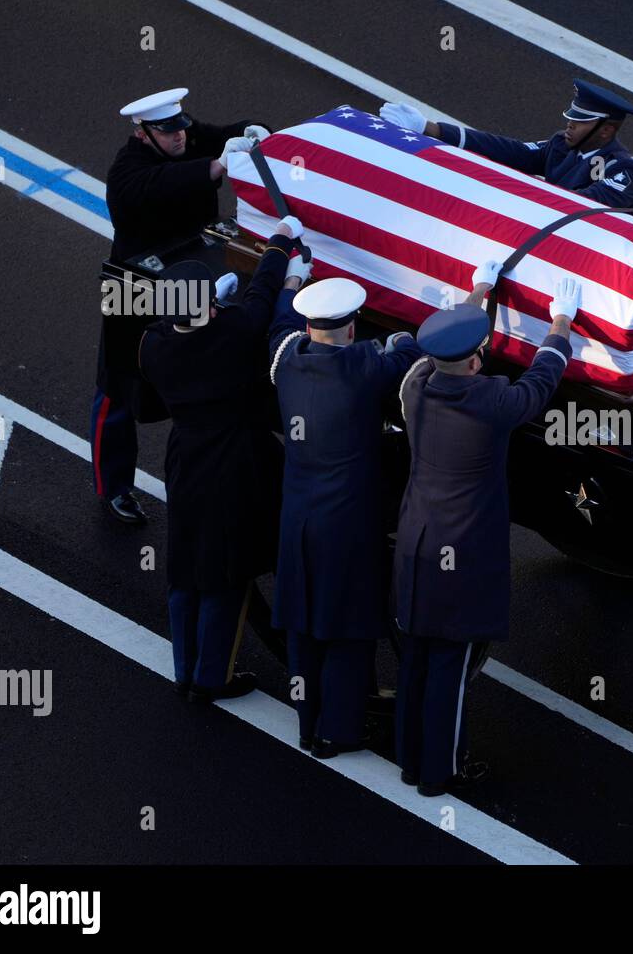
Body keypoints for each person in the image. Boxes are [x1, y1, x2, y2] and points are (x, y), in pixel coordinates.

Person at [392, 265, 578, 796]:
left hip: (417, 541)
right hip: (462, 550)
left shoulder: (417, 388)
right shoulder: (493, 402)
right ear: (476, 358)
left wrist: (477, 291)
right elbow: (542, 378)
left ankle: (409, 759)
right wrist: (560, 323)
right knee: (449, 663)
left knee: (418, 657)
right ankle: (439, 771)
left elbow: (448, 344)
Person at [137, 216, 307, 703]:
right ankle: (212, 676)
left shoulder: (153, 346)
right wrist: (279, 245)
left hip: (186, 460)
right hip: (235, 463)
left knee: (185, 566)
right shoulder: (232, 334)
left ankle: (184, 668)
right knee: (226, 574)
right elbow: (262, 302)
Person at [96, 88, 269, 525]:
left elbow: (218, 135)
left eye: (180, 128)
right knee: (118, 385)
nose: (179, 137)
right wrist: (217, 166)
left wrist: (250, 133)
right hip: (138, 285)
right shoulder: (126, 172)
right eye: (167, 132)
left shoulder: (184, 138)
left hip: (192, 272)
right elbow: (163, 185)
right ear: (142, 133)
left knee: (203, 375)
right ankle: (113, 486)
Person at [266, 277, 423, 758]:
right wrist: (397, 336)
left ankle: (308, 724)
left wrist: (292, 279)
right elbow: (411, 353)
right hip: (348, 524)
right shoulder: (364, 367)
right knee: (347, 630)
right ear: (352, 329)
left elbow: (280, 327)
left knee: (303, 629)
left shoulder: (289, 362)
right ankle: (340, 730)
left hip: (298, 520)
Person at [379, 79, 633, 209]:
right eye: (571, 118)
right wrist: (432, 129)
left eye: (580, 122)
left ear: (606, 130)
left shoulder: (625, 171)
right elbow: (511, 151)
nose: (570, 124)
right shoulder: (561, 146)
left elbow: (581, 204)